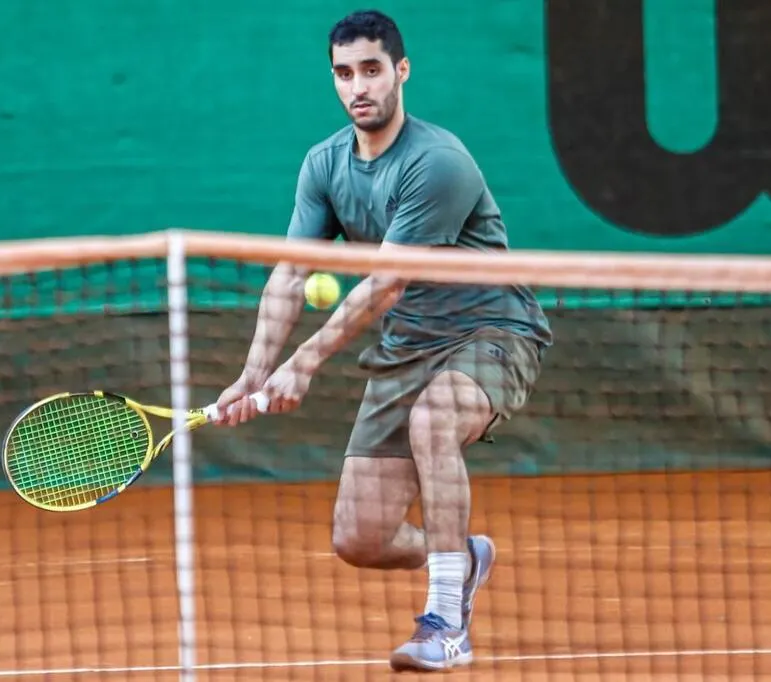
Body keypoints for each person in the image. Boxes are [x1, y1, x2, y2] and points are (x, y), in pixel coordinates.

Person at [213, 9, 553, 672]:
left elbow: (386, 283)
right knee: (360, 539)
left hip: (491, 329)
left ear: (400, 71)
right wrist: (254, 374)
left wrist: (304, 362)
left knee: (435, 421)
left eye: (371, 69)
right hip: (408, 348)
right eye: (344, 73)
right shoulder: (324, 165)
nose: (357, 86)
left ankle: (445, 623)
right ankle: (465, 554)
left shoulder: (438, 163)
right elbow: (290, 273)